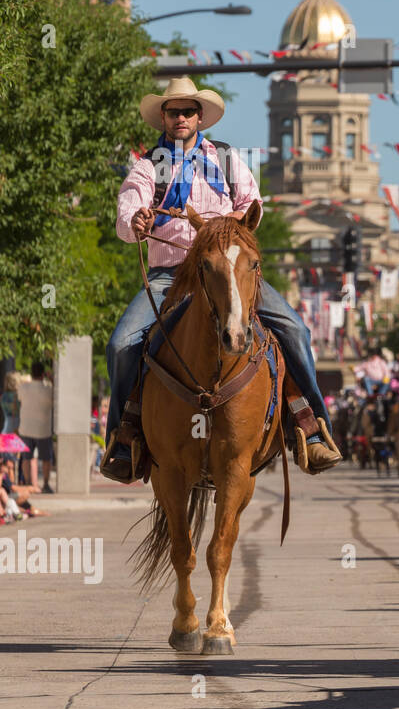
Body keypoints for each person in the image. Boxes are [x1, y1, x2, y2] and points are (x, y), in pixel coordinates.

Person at [102, 77, 341, 482]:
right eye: (173, 111)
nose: (181, 117)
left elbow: (252, 204)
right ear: (163, 116)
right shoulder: (146, 166)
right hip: (170, 276)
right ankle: (124, 439)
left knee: (296, 331)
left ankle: (310, 425)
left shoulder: (229, 160)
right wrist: (137, 220)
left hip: (228, 270)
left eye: (188, 111)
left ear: (200, 117)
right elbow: (129, 209)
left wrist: (229, 227)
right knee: (122, 343)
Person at [17, 361, 54, 492]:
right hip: (43, 430)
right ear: (43, 374)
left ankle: (28, 484)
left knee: (26, 458)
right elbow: (55, 397)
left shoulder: (23, 387)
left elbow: (20, 400)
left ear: (31, 373)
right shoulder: (49, 389)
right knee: (46, 459)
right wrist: (52, 380)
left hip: (25, 428)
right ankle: (45, 485)